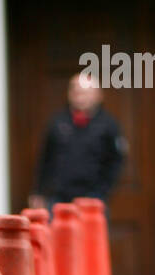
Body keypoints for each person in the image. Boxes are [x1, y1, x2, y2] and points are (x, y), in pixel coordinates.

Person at [30, 73, 127, 210]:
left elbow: (116, 162)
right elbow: (45, 158)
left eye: (86, 93)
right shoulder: (58, 123)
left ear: (98, 95)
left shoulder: (108, 125)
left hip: (93, 199)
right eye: (76, 91)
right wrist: (38, 192)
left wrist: (101, 192)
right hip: (59, 198)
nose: (80, 96)